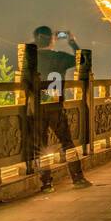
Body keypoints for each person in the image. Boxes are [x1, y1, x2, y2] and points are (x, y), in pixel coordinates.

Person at [32, 26, 91, 191]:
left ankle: (46, 183)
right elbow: (82, 60)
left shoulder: (31, 58)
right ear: (52, 39)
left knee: (41, 146)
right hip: (55, 105)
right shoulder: (60, 58)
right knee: (67, 143)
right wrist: (72, 41)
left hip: (37, 107)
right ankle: (77, 178)